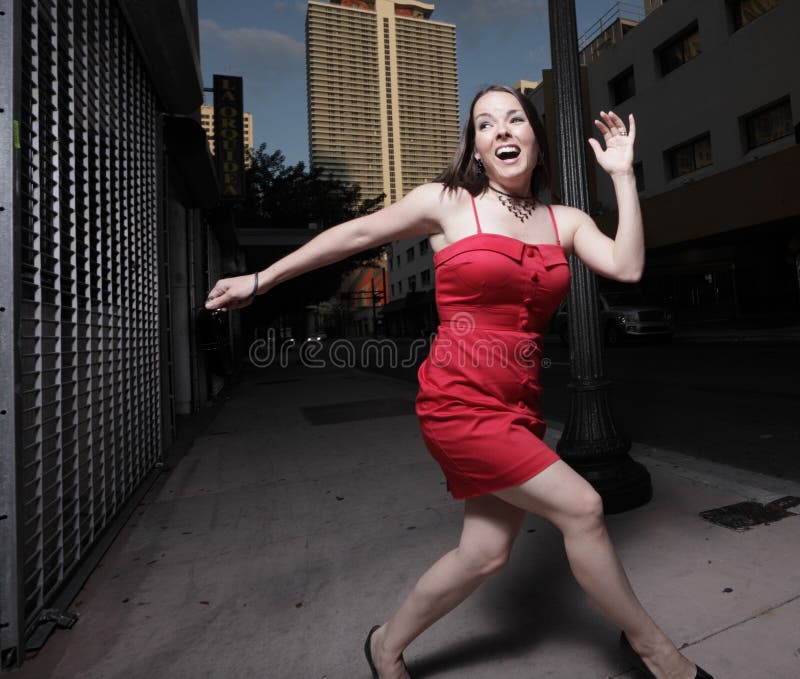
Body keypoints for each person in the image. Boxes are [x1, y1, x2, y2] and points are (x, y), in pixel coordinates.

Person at [205, 85, 713, 679]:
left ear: (535, 141)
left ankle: (384, 645)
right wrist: (261, 279)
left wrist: (623, 175)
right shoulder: (448, 203)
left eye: (515, 119)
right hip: (457, 402)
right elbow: (354, 235)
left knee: (484, 553)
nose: (501, 130)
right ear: (474, 147)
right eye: (485, 124)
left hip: (517, 402)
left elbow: (627, 267)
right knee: (584, 507)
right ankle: (655, 651)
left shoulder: (565, 221)